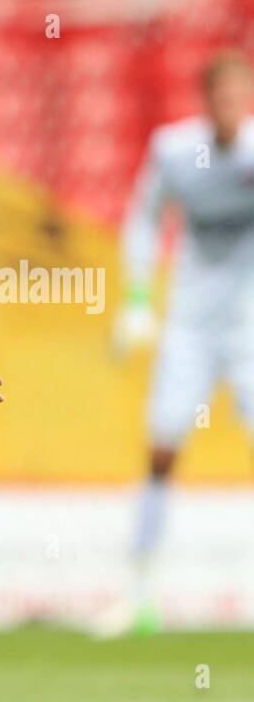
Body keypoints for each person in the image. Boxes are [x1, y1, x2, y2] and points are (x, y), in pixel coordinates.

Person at [110, 50, 254, 634]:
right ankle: (140, 592)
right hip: (191, 323)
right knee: (163, 450)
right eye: (220, 99)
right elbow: (143, 218)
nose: (229, 111)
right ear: (206, 100)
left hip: (249, 323)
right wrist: (138, 300)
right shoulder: (175, 150)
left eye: (238, 100)